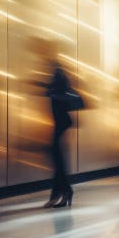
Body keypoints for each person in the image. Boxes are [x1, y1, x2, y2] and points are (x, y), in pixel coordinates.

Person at [44, 63, 75, 208]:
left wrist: (46, 88)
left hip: (61, 125)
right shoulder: (56, 80)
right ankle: (59, 193)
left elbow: (55, 91)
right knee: (58, 161)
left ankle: (64, 192)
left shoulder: (58, 78)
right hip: (60, 125)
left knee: (59, 161)